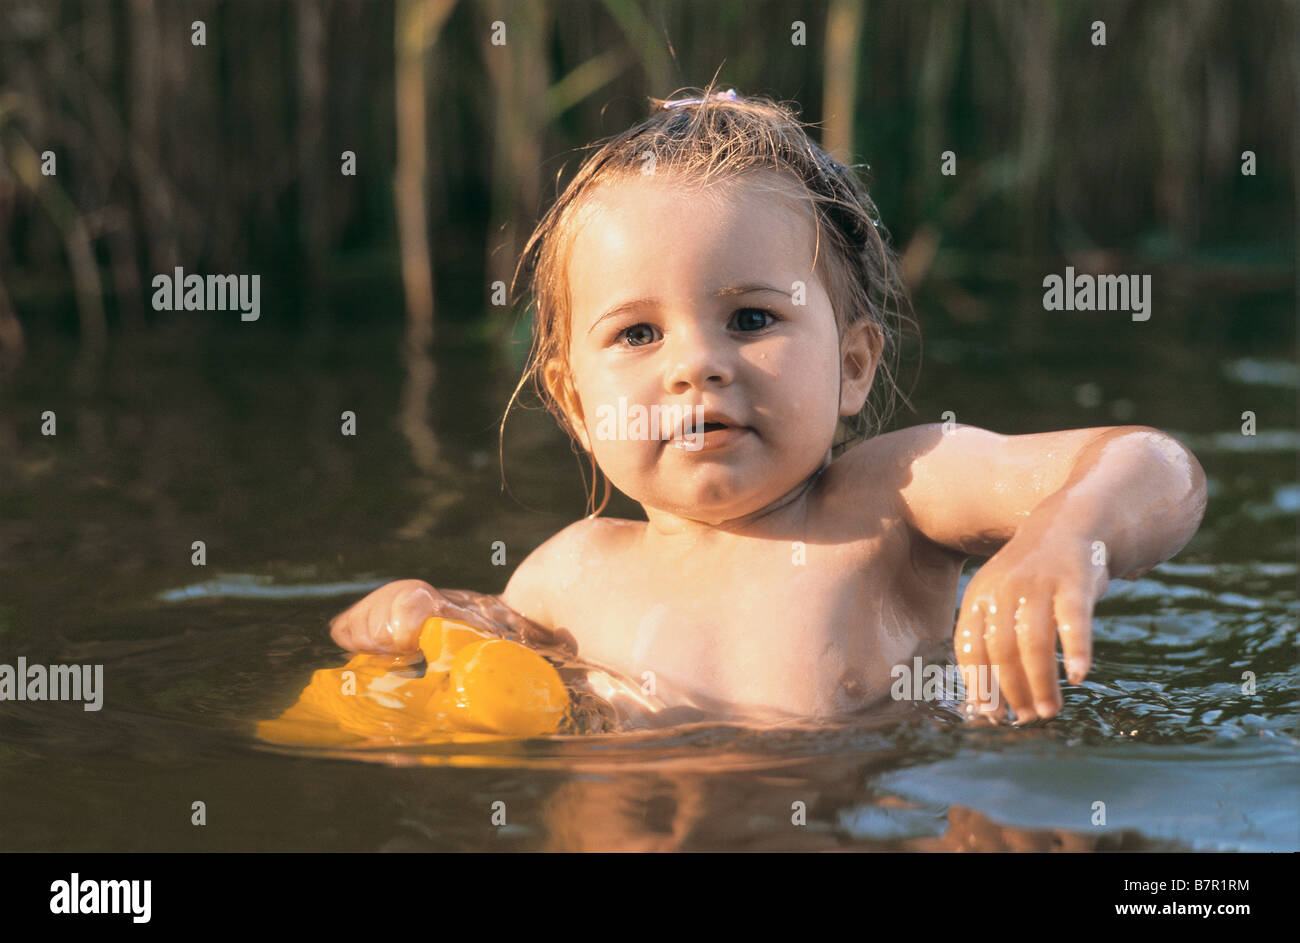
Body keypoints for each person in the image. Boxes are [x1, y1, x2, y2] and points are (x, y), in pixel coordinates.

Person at [329, 87, 1207, 725]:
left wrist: (1068, 535)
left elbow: (1154, 464)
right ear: (570, 398)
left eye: (752, 318)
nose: (699, 365)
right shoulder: (567, 575)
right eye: (638, 334)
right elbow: (430, 661)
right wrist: (402, 617)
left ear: (854, 365)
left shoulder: (893, 495)